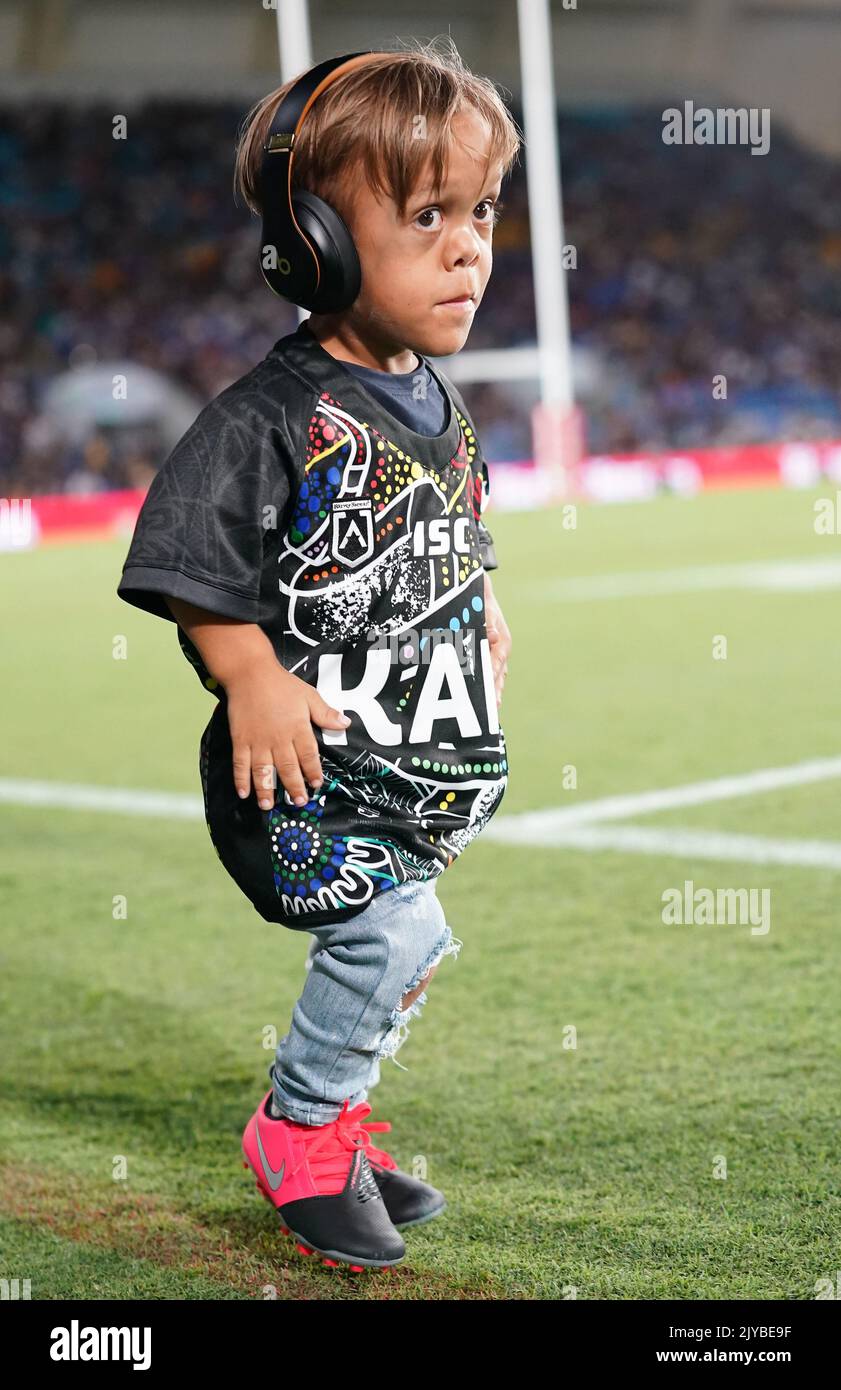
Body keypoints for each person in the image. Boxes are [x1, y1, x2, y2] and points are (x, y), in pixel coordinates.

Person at [116, 40, 519, 1271]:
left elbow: (448, 524)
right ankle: (298, 1129)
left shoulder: (433, 397)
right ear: (316, 247)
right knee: (386, 936)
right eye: (427, 216)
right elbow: (193, 570)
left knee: (414, 939)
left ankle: (334, 1119)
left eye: (483, 211)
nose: (469, 246)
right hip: (303, 776)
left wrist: (481, 603)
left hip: (393, 764)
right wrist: (248, 674)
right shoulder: (265, 417)